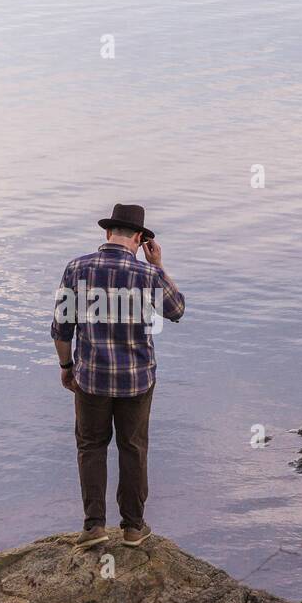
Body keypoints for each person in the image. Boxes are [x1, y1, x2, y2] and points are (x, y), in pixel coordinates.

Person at [50, 204, 185, 549]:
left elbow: (61, 329)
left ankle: (94, 526)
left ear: (108, 234)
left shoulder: (76, 268)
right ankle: (133, 528)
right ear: (140, 239)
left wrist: (67, 368)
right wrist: (158, 266)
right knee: (133, 448)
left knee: (91, 446)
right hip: (136, 379)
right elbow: (177, 310)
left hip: (91, 378)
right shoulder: (147, 275)